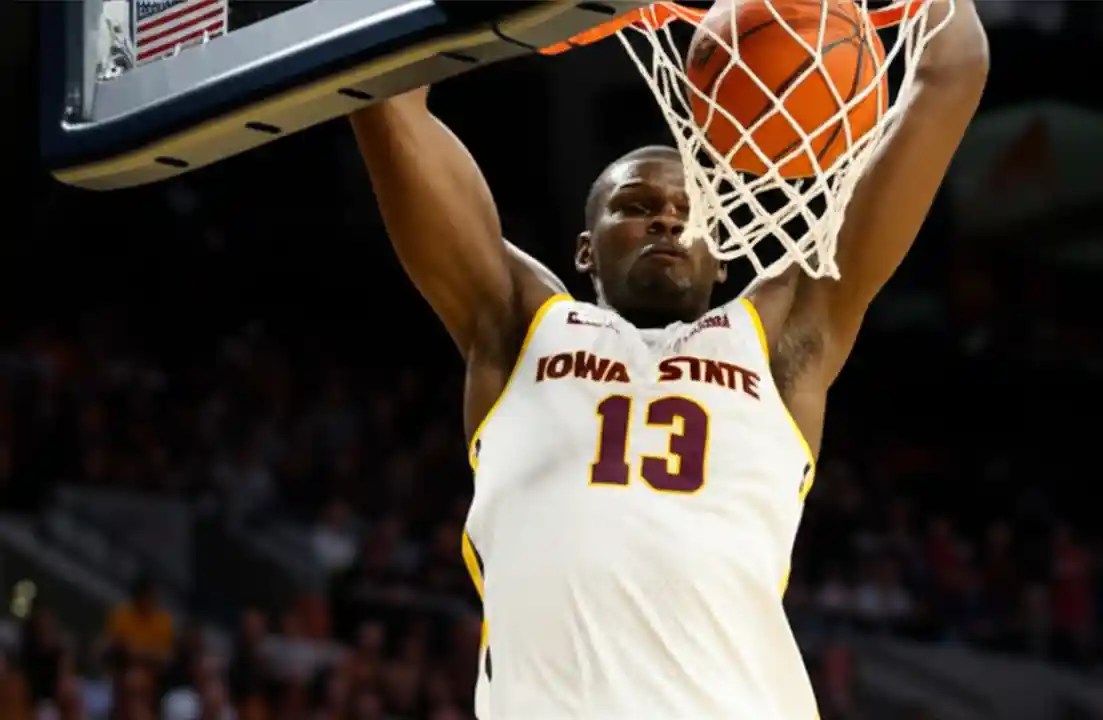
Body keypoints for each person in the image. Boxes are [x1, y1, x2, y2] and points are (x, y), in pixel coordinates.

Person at [349, 0, 988, 715]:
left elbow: (954, 70)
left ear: (722, 258)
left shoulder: (777, 341)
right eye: (635, 206)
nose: (666, 217)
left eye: (692, 208)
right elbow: (387, 99)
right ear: (585, 248)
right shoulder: (518, 325)